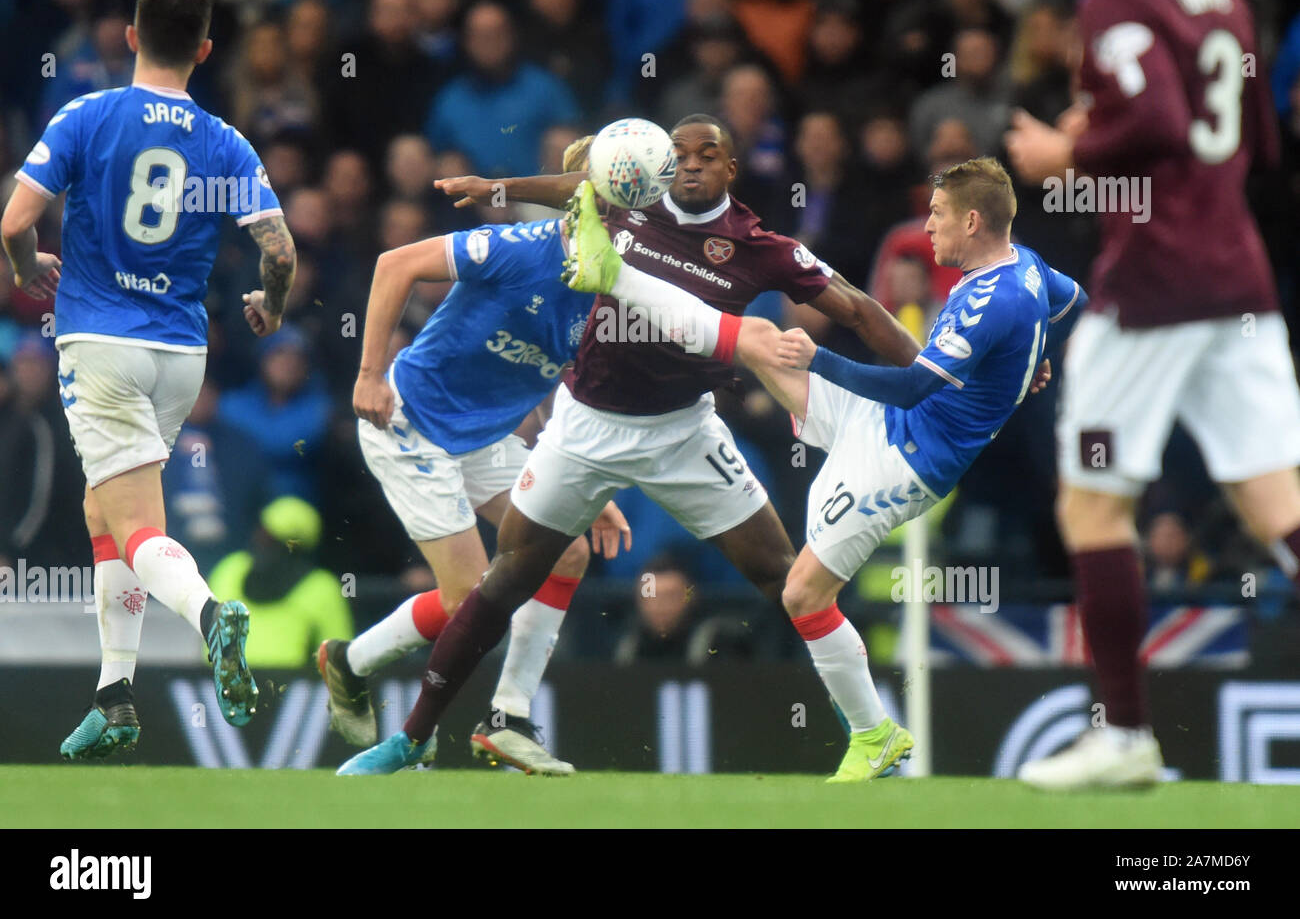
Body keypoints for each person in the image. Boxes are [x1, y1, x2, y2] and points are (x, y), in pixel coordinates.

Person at [336, 113, 921, 776]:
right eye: (682, 154)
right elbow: (580, 186)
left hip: (684, 433)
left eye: (709, 155)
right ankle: (413, 740)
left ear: (732, 169)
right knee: (503, 582)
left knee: (782, 575)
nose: (693, 164)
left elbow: (859, 309)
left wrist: (942, 381)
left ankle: (871, 730)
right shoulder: (628, 211)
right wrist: (498, 187)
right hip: (586, 428)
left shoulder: (763, 249)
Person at [558, 156, 1078, 780]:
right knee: (757, 341)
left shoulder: (990, 303)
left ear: (972, 219)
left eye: (937, 215)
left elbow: (913, 388)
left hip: (901, 461)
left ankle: (872, 734)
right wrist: (1032, 358)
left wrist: (820, 357)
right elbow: (1074, 299)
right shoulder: (1027, 267)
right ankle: (617, 276)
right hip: (886, 426)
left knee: (802, 592)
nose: (928, 227)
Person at [1004, 0, 1300, 790]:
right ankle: (1123, 735)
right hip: (1239, 284)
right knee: (1279, 505)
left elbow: (1161, 121)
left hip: (1152, 294)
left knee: (1094, 501)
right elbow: (1253, 143)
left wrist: (1061, 156)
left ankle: (1124, 734)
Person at [0, 0, 296, 759]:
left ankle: (209, 614)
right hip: (181, 354)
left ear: (131, 36)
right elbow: (280, 248)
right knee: (106, 514)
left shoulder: (88, 114)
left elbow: (16, 219)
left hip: (101, 343)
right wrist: (271, 305)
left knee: (133, 524)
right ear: (202, 49)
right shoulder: (225, 141)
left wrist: (28, 269)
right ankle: (115, 693)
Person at [321, 134, 629, 776]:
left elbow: (552, 383)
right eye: (614, 199)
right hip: (411, 421)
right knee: (467, 596)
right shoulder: (519, 249)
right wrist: (370, 374)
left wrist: (578, 483)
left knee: (565, 548)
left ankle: (509, 718)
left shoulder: (611, 289)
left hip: (484, 437)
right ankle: (351, 663)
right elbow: (393, 265)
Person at [208, 497, 353, 669]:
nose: (265, 549)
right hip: (217, 689)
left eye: (276, 543)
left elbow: (339, 663)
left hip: (293, 692)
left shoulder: (323, 588)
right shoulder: (229, 569)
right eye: (264, 536)